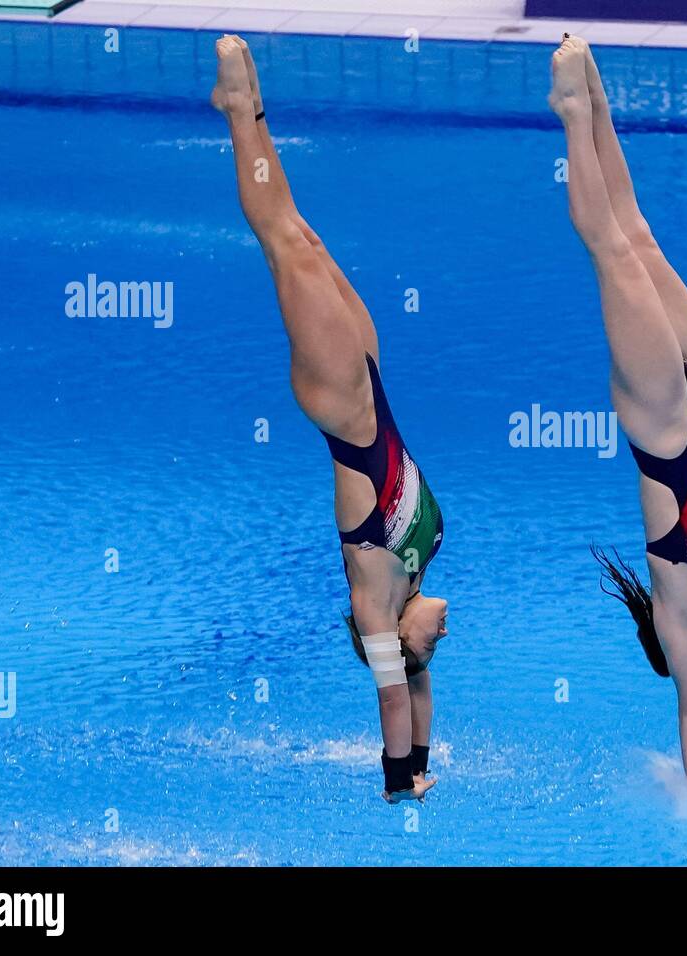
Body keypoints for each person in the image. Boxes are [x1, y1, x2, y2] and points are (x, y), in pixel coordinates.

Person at [211, 35, 447, 803]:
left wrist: (403, 778)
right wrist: (428, 753)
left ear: (400, 644)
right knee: (302, 233)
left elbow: (392, 696)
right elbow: (419, 693)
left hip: (342, 404)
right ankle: (251, 109)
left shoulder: (377, 610)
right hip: (368, 386)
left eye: (428, 647)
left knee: (283, 246)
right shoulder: (414, 575)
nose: (444, 635)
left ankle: (236, 112)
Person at [550, 36, 687, 779]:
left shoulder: (683, 616)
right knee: (636, 228)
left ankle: (571, 113)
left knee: (610, 248)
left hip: (663, 429)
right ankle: (599, 101)